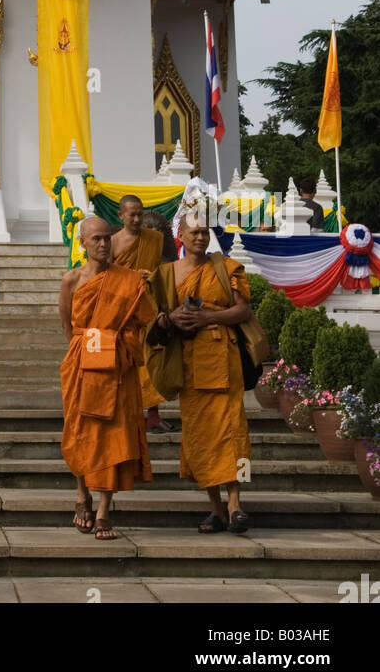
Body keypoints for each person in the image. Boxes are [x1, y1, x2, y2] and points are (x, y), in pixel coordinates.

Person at [147, 201, 253, 534]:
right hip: (190, 365)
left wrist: (208, 317)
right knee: (200, 438)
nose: (200, 238)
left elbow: (243, 312)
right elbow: (154, 318)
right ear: (180, 235)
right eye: (194, 232)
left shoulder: (226, 267)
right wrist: (170, 318)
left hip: (225, 359)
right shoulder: (165, 275)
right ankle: (216, 509)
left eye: (205, 232)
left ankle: (236, 505)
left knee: (235, 433)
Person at [59, 216, 156, 540]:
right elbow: (69, 329)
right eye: (96, 239)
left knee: (113, 435)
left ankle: (103, 511)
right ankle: (80, 494)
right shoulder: (71, 280)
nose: (102, 244)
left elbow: (148, 320)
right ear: (83, 243)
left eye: (106, 238)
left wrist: (118, 341)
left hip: (117, 365)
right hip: (82, 365)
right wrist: (88, 349)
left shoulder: (128, 280)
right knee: (81, 432)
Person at [111, 195, 170, 433]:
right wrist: (132, 277)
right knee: (126, 361)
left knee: (151, 361)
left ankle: (153, 414)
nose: (136, 219)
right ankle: (128, 413)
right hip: (123, 309)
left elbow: (165, 269)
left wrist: (151, 278)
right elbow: (106, 277)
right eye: (131, 214)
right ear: (121, 215)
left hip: (149, 305)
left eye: (140, 214)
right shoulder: (113, 242)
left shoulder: (155, 239)